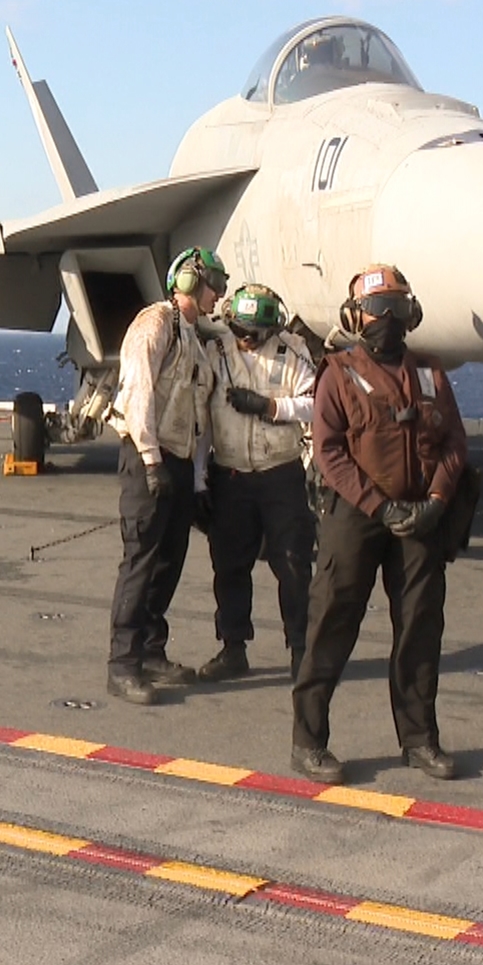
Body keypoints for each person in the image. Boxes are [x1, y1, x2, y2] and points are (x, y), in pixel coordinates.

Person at [291, 264, 468, 783]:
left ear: (411, 314)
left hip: (422, 516)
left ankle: (419, 740)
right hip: (357, 515)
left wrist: (436, 499)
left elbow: (455, 444)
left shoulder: (433, 374)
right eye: (377, 309)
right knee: (331, 624)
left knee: (419, 627)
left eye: (395, 308)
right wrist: (378, 506)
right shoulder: (337, 374)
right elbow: (328, 452)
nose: (386, 318)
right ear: (355, 316)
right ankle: (309, 742)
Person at [104, 246, 226, 705]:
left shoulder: (195, 337)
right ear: (192, 282)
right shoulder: (155, 323)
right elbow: (139, 394)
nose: (219, 294)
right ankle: (121, 665)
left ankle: (152, 651)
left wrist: (195, 480)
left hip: (175, 460)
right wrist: (152, 463)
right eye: (214, 282)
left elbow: (196, 415)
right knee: (140, 562)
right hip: (145, 456)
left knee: (169, 561)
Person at [198, 283, 318, 684]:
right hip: (230, 475)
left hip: (280, 474)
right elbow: (202, 421)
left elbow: (316, 404)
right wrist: (200, 480)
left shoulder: (294, 350)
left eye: (256, 333)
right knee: (229, 566)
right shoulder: (215, 354)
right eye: (241, 331)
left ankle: (301, 650)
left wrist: (271, 407)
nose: (247, 340)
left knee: (294, 566)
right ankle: (233, 647)